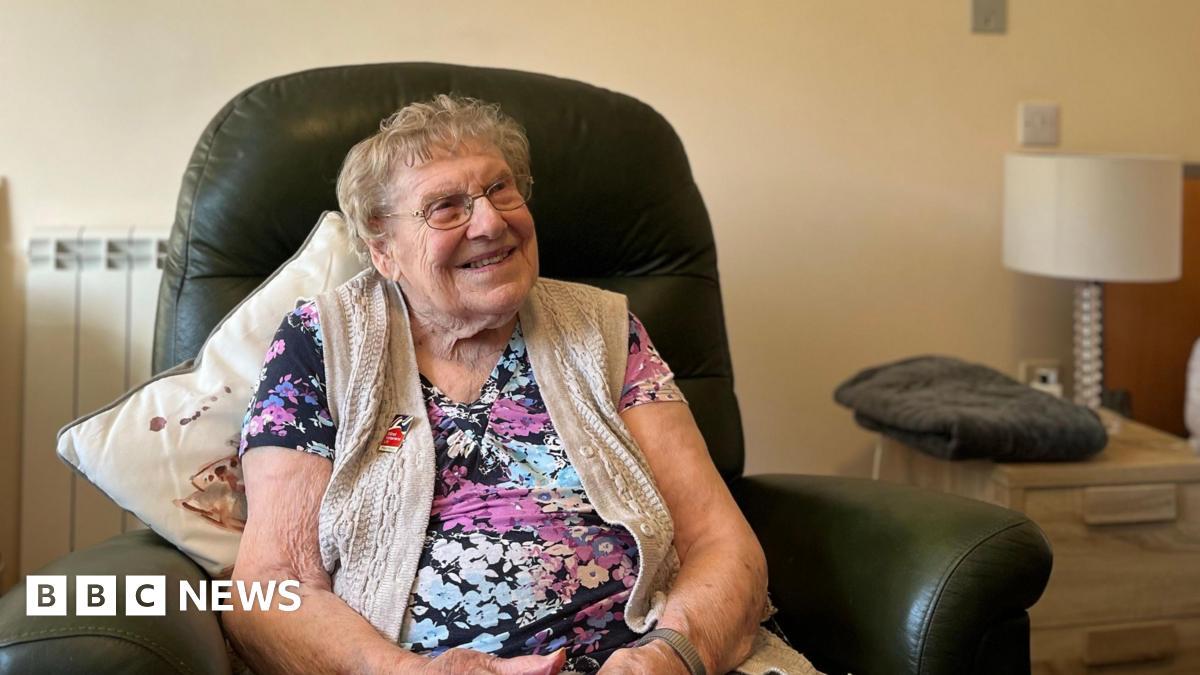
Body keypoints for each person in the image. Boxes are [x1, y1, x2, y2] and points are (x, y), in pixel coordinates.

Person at [225, 95, 811, 674]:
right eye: (445, 207)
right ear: (383, 251)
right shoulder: (324, 343)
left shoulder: (605, 331)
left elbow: (720, 542)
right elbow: (271, 586)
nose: (490, 222)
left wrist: (665, 660)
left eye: (499, 189)